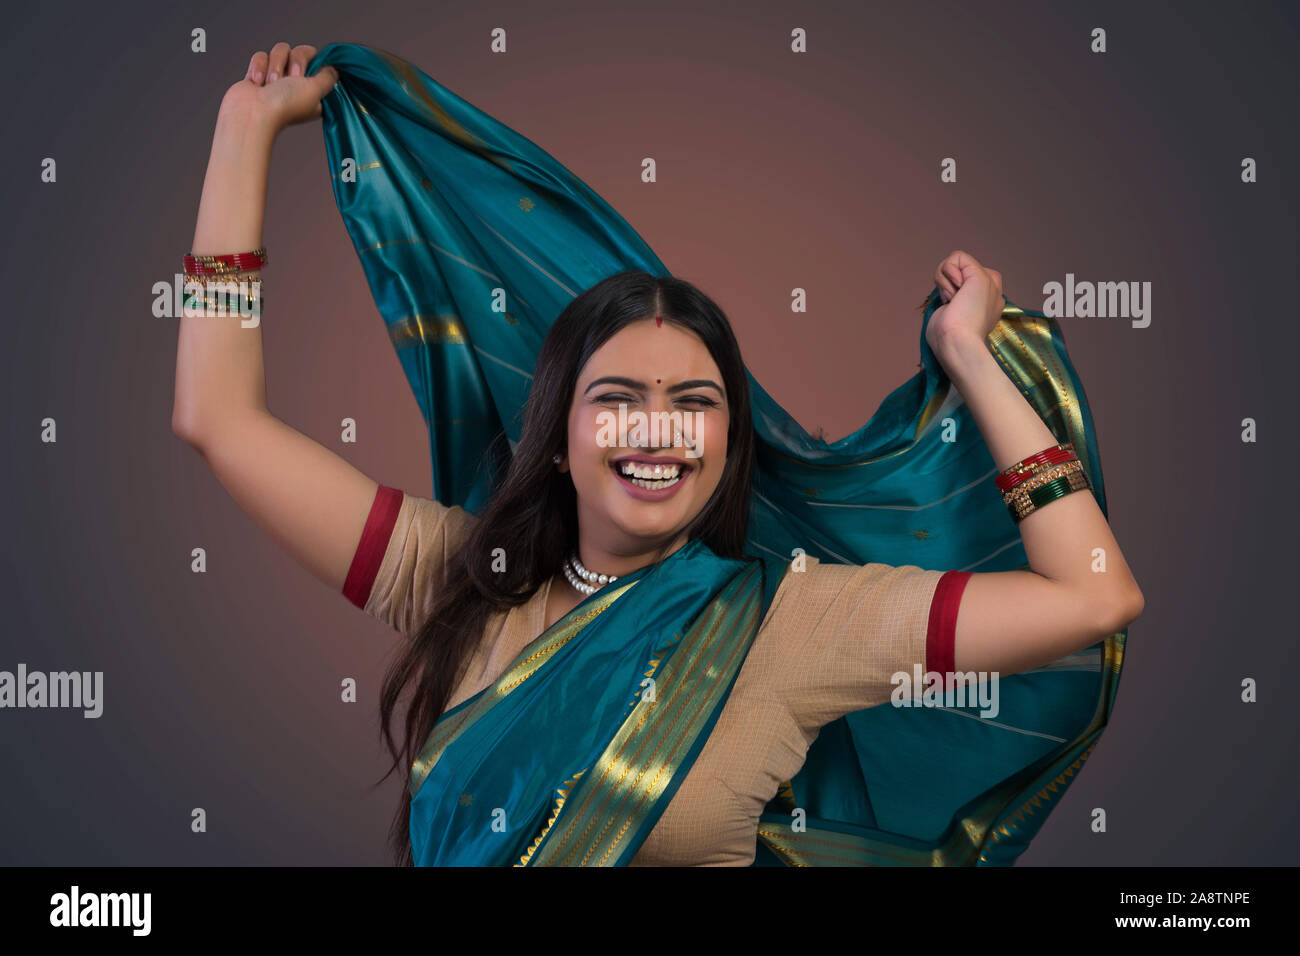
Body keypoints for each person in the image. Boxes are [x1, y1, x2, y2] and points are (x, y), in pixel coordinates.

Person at [173, 41, 1144, 866]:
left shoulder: (793, 620)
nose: (656, 429)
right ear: (556, 439)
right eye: (616, 400)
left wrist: (969, 357)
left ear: (728, 444)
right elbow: (218, 417)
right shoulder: (459, 579)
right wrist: (241, 134)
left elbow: (1092, 597)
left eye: (694, 402)